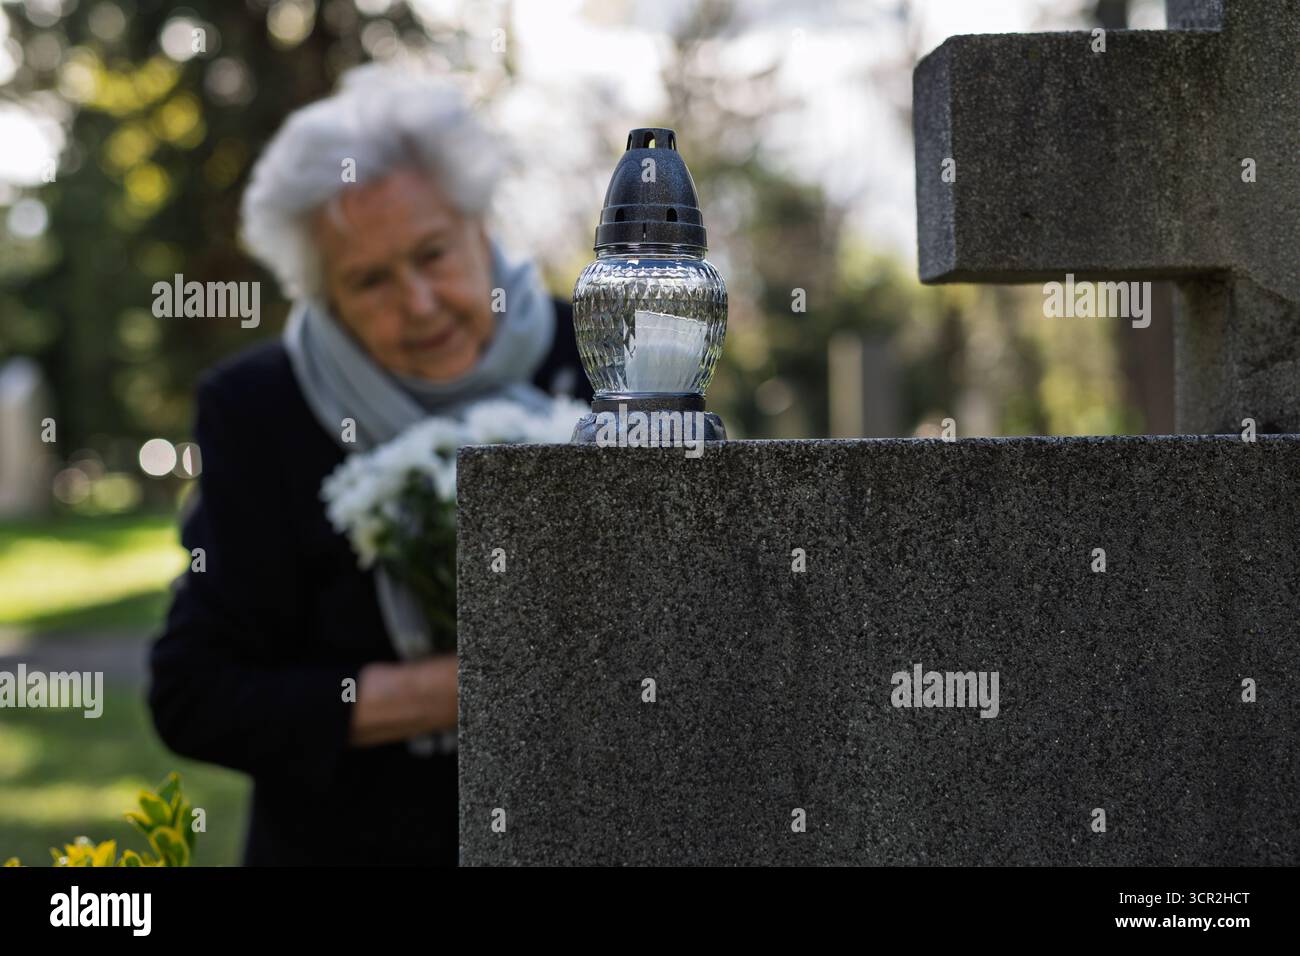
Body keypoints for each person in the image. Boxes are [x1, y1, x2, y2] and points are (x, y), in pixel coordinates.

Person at [146, 66, 591, 866]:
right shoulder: (262, 411)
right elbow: (196, 696)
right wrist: (471, 684)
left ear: (479, 227)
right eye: (370, 281)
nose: (417, 303)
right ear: (324, 296)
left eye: (433, 254)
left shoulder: (603, 358)